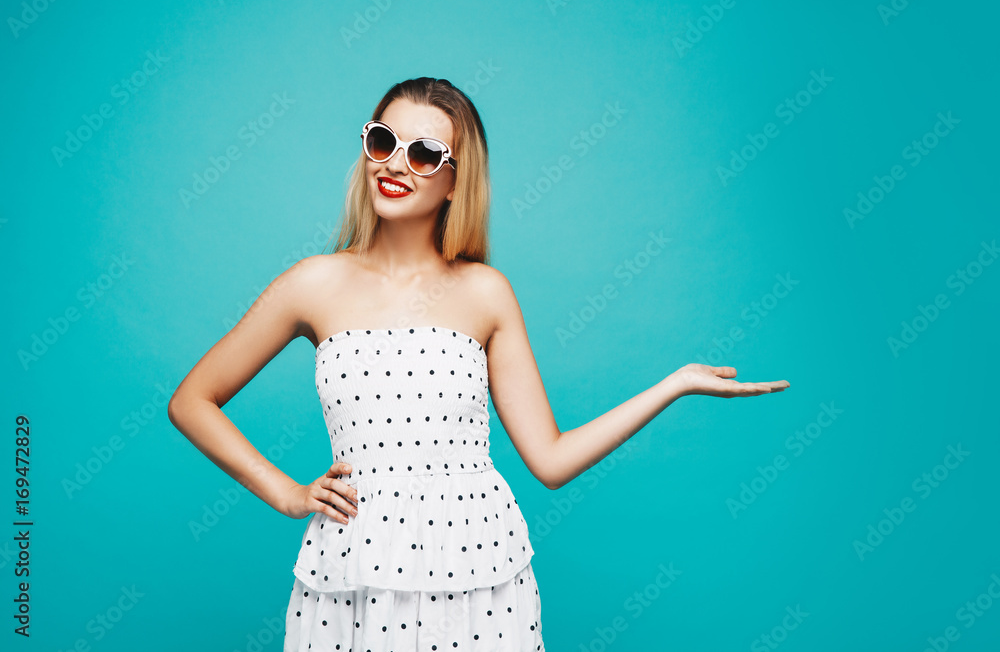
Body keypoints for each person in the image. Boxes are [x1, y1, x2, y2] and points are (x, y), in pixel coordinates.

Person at [167, 76, 790, 651]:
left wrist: (673, 386)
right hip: (355, 566)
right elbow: (191, 400)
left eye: (423, 154)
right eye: (383, 142)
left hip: (478, 567)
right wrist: (287, 494)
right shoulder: (313, 284)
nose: (394, 165)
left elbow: (550, 459)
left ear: (456, 180)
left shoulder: (487, 293)